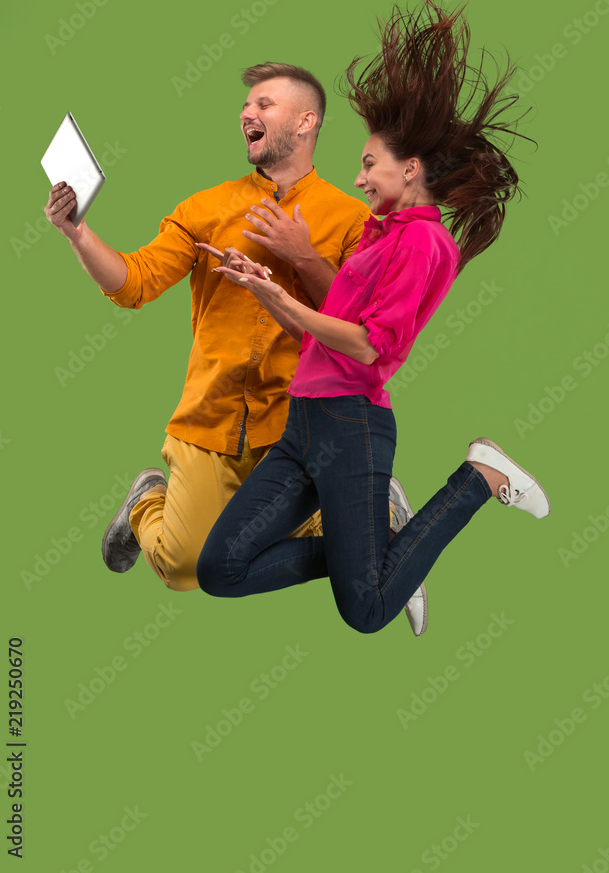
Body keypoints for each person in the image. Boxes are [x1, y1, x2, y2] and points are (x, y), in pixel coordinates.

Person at [196, 0, 551, 636]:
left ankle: (480, 476)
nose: (359, 179)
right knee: (220, 569)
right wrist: (264, 283)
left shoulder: (426, 243)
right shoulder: (379, 233)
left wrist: (286, 301)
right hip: (304, 421)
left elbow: (367, 347)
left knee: (366, 610)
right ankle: (384, 548)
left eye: (368, 164)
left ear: (408, 170)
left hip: (350, 426)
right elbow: (329, 324)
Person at [43, 64, 380, 593]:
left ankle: (364, 513)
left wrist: (303, 256)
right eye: (246, 105)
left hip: (297, 426)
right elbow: (134, 283)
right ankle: (147, 501)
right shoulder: (204, 208)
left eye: (264, 104)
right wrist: (78, 233)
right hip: (210, 419)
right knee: (186, 570)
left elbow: (357, 331)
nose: (247, 113)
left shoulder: (353, 219)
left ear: (306, 121)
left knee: (246, 555)